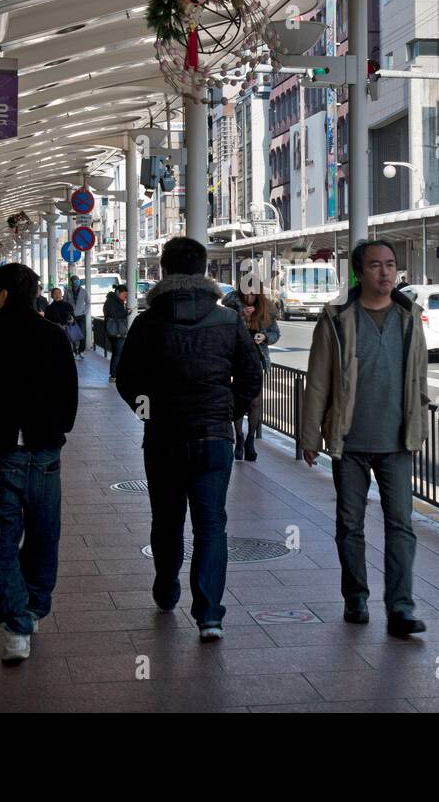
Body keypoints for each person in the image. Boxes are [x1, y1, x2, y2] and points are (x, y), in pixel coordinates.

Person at [116, 237, 263, 642]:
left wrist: (147, 411)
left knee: (166, 521)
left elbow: (126, 379)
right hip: (213, 437)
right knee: (211, 524)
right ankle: (210, 615)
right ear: (203, 272)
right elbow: (252, 376)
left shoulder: (147, 323)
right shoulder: (228, 321)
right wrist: (225, 412)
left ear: (163, 272)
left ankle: (166, 591)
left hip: (162, 437)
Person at [298, 239, 430, 639]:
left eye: (391, 264)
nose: (386, 273)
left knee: (401, 525)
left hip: (397, 441)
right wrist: (309, 435)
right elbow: (318, 380)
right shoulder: (337, 318)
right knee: (350, 524)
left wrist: (420, 423)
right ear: (359, 271)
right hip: (350, 441)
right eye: (376, 265)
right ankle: (355, 597)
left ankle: (401, 607)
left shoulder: (409, 316)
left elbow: (419, 378)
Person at [0, 263, 78, 663]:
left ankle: (15, 624)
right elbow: (68, 392)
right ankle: (32, 607)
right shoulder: (53, 335)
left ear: (4, 294)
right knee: (45, 534)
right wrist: (57, 430)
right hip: (44, 453)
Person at [222, 286, 280, 462]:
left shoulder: (266, 308)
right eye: (247, 293)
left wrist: (264, 337)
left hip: (256, 359)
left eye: (254, 293)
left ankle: (250, 441)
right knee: (238, 400)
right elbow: (223, 330)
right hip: (236, 360)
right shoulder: (231, 306)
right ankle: (239, 438)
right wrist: (241, 316)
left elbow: (275, 333)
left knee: (255, 402)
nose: (250, 297)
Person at [103, 283, 131, 382]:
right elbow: (115, 315)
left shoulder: (114, 300)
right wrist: (126, 312)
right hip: (115, 331)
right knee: (118, 353)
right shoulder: (112, 301)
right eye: (124, 295)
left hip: (115, 330)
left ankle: (115, 373)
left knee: (117, 353)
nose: (125, 297)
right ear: (118, 292)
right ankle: (114, 374)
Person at [66, 276, 89, 358]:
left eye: (77, 280)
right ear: (71, 282)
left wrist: (85, 312)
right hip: (71, 316)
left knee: (82, 333)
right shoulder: (67, 291)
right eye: (74, 281)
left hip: (81, 315)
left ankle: (81, 350)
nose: (76, 282)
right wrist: (68, 314)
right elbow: (65, 303)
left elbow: (88, 303)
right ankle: (75, 351)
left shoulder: (84, 291)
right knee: (73, 334)